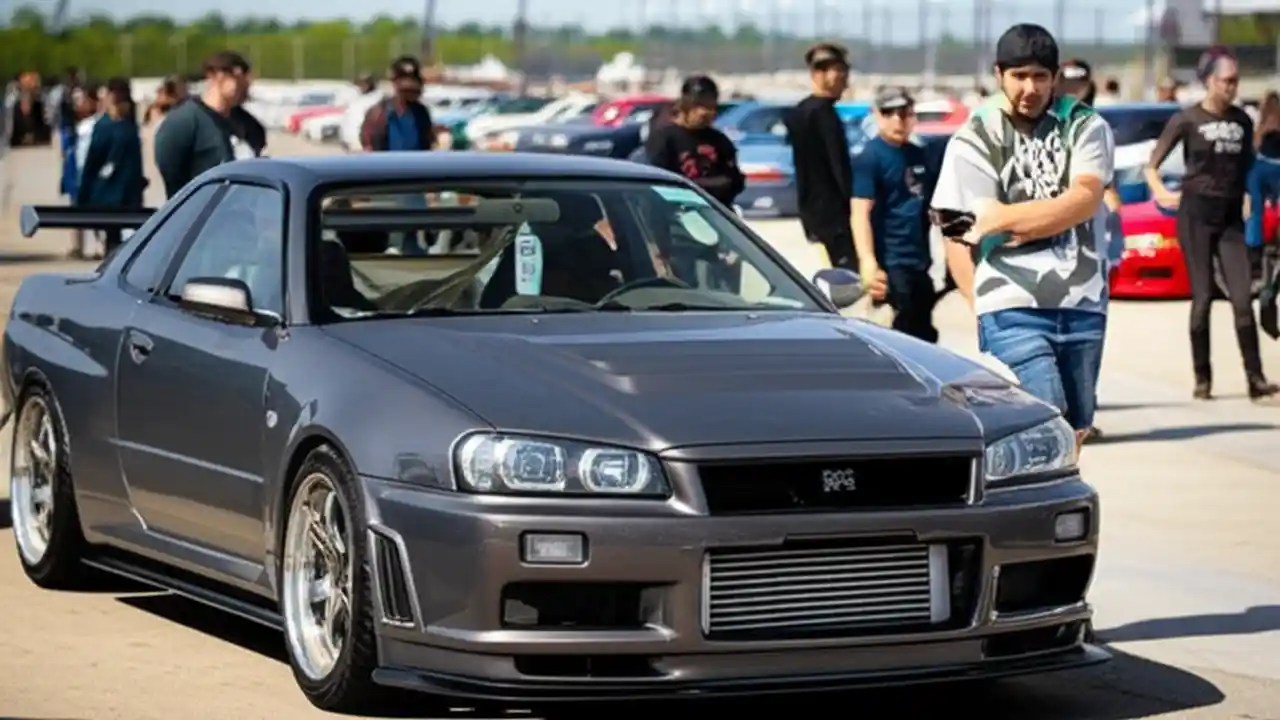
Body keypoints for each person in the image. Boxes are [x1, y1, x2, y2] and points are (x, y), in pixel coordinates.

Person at [930, 23, 1116, 454]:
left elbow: (1084, 200)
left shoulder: (1085, 125)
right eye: (1018, 76)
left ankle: (1054, 495)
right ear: (999, 74)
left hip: (1083, 302)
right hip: (1010, 304)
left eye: (1039, 76)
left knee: (1075, 430)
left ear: (1055, 77)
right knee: (1043, 418)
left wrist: (999, 217)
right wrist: (980, 303)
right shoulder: (976, 135)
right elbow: (957, 232)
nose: (1029, 88)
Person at [1145, 47, 1279, 401]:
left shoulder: (1242, 120)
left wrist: (1254, 198)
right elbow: (1152, 164)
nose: (1232, 87)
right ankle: (1202, 378)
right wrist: (1160, 191)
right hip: (1195, 217)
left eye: (1235, 81)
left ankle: (1256, 379)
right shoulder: (1187, 119)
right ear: (1209, 81)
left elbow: (1249, 166)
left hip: (1230, 220)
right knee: (1203, 298)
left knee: (1242, 300)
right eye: (1226, 81)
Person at [1057, 57, 1124, 443]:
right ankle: (1060, 413)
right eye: (1067, 83)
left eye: (1080, 84)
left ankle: (1083, 412)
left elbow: (1107, 184)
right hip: (1051, 244)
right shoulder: (1045, 125)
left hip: (1089, 249)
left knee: (1086, 335)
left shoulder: (1095, 126)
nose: (1074, 91)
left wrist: (1115, 217)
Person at [851, 86, 939, 342]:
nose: (897, 120)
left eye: (904, 113)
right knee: (900, 334)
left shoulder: (919, 155)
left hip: (919, 261)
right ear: (878, 116)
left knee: (924, 334)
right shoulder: (870, 157)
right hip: (891, 261)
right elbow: (859, 213)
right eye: (889, 113)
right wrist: (868, 261)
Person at [787, 43, 858, 271]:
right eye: (840, 73)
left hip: (813, 215)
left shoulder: (801, 111)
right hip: (833, 219)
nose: (845, 82)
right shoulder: (823, 114)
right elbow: (838, 169)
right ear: (819, 74)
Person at [154, 51, 255, 199]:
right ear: (217, 75)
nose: (245, 84)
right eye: (238, 75)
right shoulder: (185, 121)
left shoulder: (247, 123)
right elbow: (170, 167)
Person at [645, 75, 744, 208]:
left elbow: (734, 181)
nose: (704, 112)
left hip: (713, 210)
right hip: (676, 210)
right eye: (698, 105)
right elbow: (660, 181)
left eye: (709, 106)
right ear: (684, 106)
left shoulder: (719, 140)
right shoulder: (664, 138)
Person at [77, 78, 145, 256]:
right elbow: (94, 162)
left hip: (116, 193)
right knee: (114, 239)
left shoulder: (117, 126)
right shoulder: (117, 127)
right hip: (113, 194)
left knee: (115, 240)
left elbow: (93, 163)